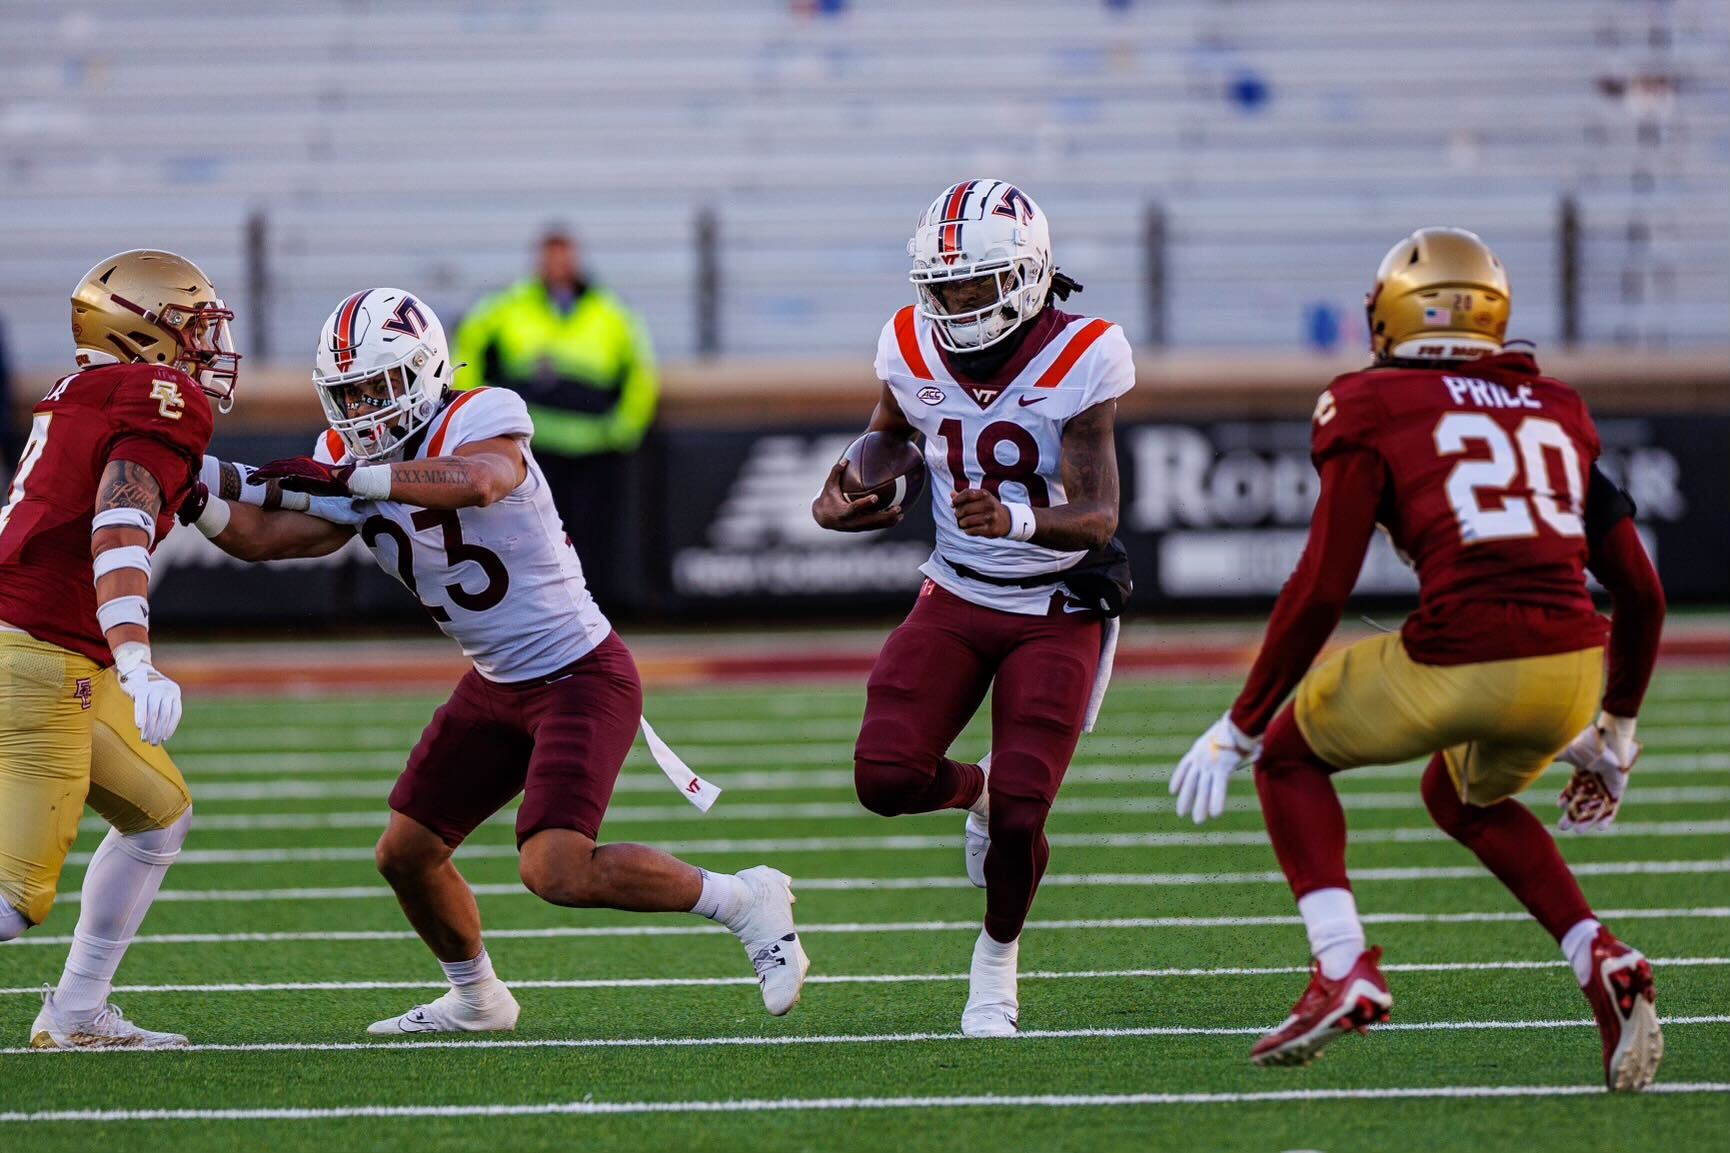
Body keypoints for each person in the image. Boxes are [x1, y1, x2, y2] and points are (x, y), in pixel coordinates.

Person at [183, 287, 806, 1035]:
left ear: (424, 368)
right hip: (495, 682)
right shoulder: (352, 451)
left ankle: (743, 899)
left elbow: (481, 479)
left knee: (555, 867)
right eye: (348, 395)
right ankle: (478, 998)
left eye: (378, 388)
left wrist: (354, 480)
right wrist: (190, 494)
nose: (364, 412)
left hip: (580, 673)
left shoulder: (477, 414)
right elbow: (272, 537)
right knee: (406, 853)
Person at [1169, 228, 1668, 1090]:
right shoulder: (1557, 405)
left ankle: (1342, 965)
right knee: (1461, 794)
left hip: (1463, 653)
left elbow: (1324, 585)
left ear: (1392, 315)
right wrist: (1615, 732)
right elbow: (1643, 592)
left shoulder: (1367, 401)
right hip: (1572, 670)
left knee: (1287, 758)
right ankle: (1600, 955)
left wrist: (1240, 722)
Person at [813, 180, 1132, 1037]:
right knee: (883, 778)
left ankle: (996, 963)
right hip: (955, 586)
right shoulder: (909, 341)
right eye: (943, 284)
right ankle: (979, 793)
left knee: (1028, 813)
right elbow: (890, 428)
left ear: (1026, 278)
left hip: (1057, 598)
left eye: (973, 284)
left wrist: (1022, 518)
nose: (954, 302)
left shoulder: (1087, 352)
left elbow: (1100, 516)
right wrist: (848, 480)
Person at [0, 249, 241, 1048]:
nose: (207, 349)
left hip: (39, 644)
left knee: (159, 814)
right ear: (144, 335)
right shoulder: (156, 396)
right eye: (195, 329)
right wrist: (136, 655)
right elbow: (120, 526)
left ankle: (75, 1013)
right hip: (40, 653)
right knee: (14, 896)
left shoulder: (83, 393)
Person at [451, 228, 657, 610]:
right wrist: (478, 421)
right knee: (533, 535)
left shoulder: (610, 311)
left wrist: (623, 429)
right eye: (551, 257)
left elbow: (641, 373)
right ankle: (539, 610)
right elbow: (467, 354)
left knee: (593, 536)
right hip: (535, 447)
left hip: (596, 448)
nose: (558, 266)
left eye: (564, 257)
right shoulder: (505, 307)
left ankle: (594, 611)